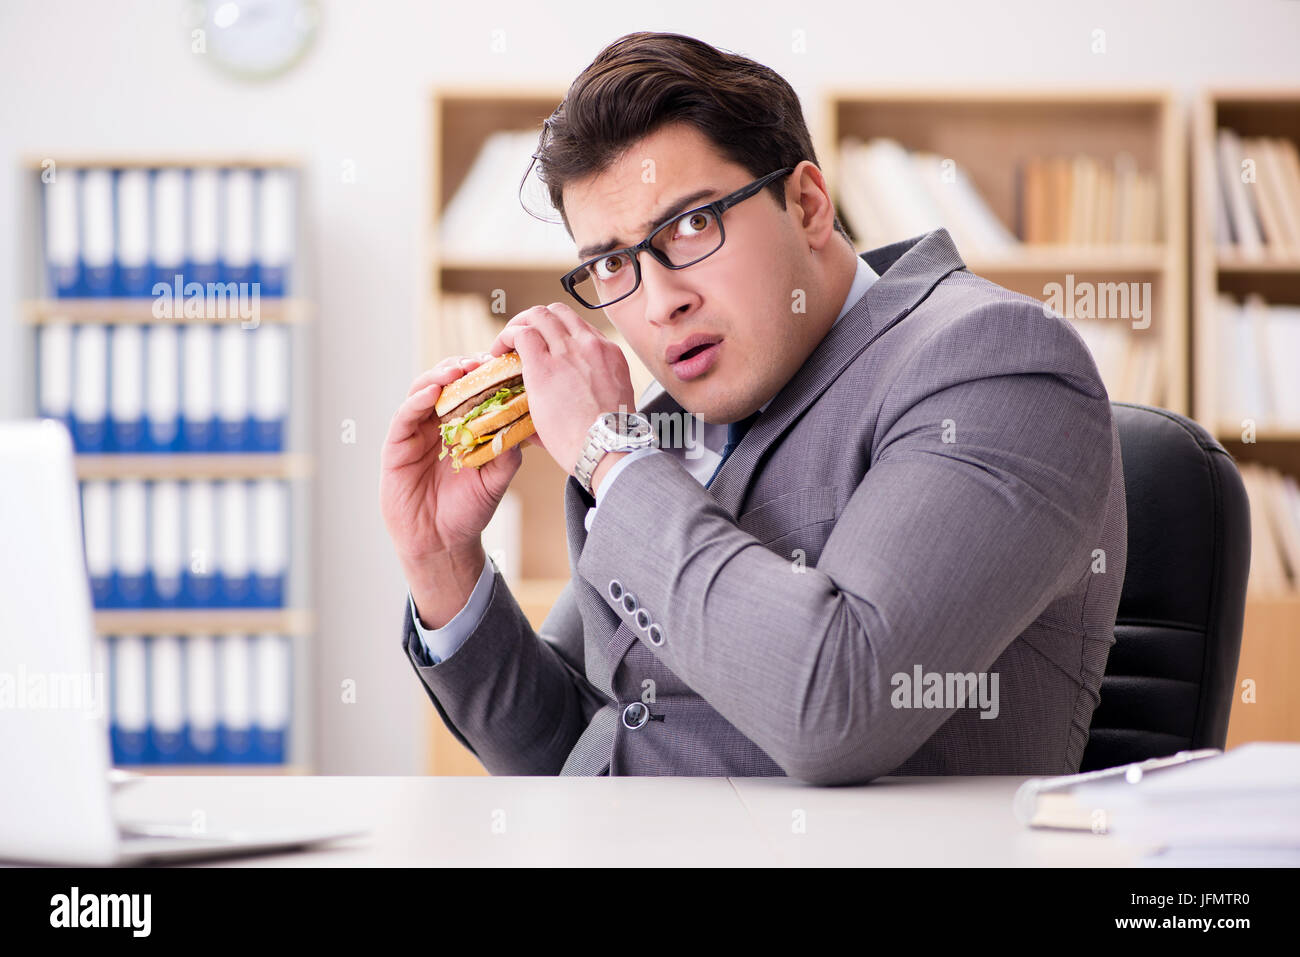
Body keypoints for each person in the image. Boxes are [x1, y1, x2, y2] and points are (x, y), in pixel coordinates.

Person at [379, 32, 1126, 783]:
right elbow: (590, 740)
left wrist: (611, 454)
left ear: (806, 204)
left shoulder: (996, 360)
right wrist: (444, 566)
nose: (662, 302)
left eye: (693, 225)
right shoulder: (668, 421)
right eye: (612, 264)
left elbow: (839, 706)